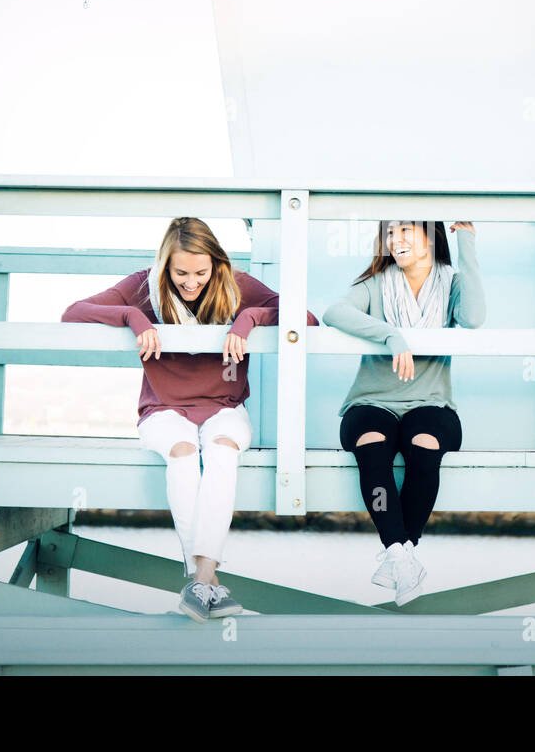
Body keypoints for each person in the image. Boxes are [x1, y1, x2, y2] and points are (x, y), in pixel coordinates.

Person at [61, 217, 319, 623]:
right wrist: (132, 316)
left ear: (216, 264)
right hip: (163, 410)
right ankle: (207, 581)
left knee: (221, 453)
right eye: (181, 273)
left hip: (224, 408)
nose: (191, 282)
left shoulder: (237, 283)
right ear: (166, 266)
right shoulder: (143, 286)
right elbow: (73, 313)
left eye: (201, 272)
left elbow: (305, 319)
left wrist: (249, 317)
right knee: (183, 455)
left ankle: (201, 578)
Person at [322, 220, 485, 606]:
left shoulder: (451, 283)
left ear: (431, 236)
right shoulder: (376, 284)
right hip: (371, 401)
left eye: (406, 230)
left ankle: (399, 551)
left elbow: (474, 317)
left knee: (424, 442)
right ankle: (400, 552)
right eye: (390, 233)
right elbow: (334, 312)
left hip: (430, 402)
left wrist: (468, 243)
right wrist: (392, 335)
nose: (395, 240)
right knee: (372, 443)